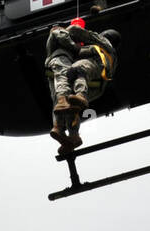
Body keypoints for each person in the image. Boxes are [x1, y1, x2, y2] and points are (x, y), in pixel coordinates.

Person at [44, 19, 121, 155]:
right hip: (96, 87)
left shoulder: (103, 44)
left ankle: (59, 126)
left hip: (84, 76)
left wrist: (72, 32)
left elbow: (77, 33)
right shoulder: (112, 57)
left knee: (73, 74)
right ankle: (72, 137)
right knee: (70, 106)